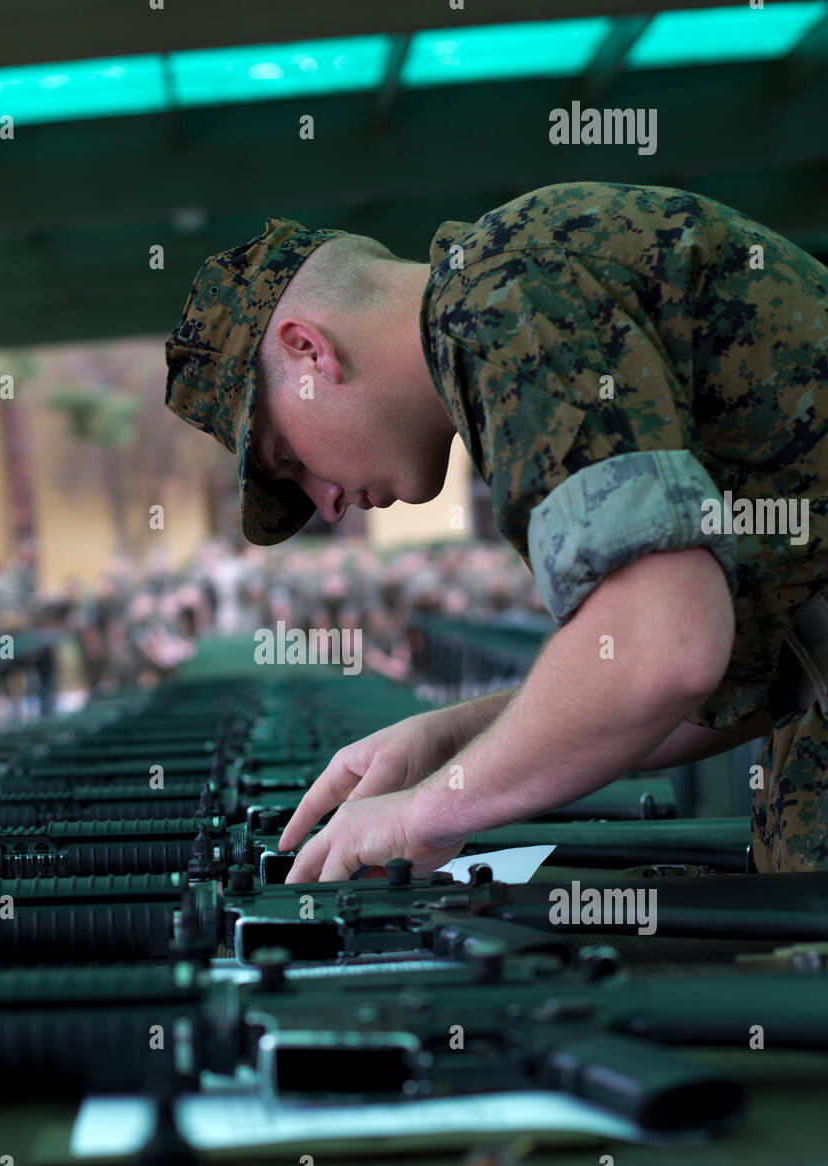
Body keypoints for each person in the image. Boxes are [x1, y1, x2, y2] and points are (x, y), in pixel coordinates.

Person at [165, 183, 828, 878]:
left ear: (308, 350)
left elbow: (661, 655)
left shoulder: (499, 297)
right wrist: (449, 740)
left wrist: (424, 814)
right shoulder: (503, 295)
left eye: (289, 459)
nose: (325, 505)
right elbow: (723, 684)